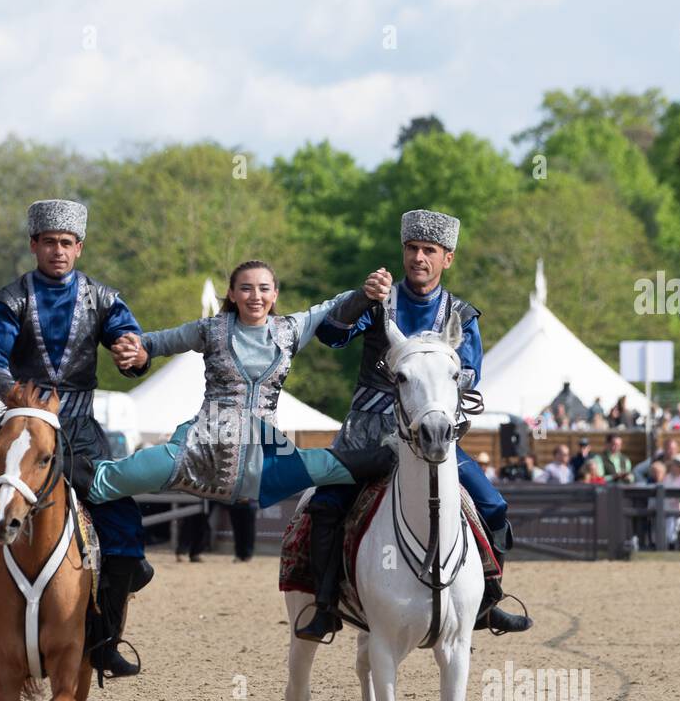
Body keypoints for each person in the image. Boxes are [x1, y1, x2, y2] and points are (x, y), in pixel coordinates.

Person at [0, 199, 152, 681]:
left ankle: (106, 641)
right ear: (34, 245)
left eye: (66, 243)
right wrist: (17, 396)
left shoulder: (105, 298)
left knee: (123, 525)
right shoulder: (12, 299)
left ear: (78, 248)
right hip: (20, 429)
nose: (57, 250)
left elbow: (131, 342)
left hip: (80, 434)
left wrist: (133, 356)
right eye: (48, 243)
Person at [298, 208, 533, 639]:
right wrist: (358, 298)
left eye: (429, 250)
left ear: (448, 259)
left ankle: (488, 601)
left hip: (433, 434)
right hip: (365, 432)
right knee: (325, 504)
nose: (418, 257)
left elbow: (471, 374)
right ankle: (326, 606)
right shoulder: (376, 302)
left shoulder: (463, 315)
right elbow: (331, 335)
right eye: (411, 248)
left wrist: (430, 379)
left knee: (493, 504)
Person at [86, 261, 393, 508]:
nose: (255, 296)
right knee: (122, 475)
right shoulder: (210, 329)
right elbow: (156, 342)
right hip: (201, 448)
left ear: (274, 295)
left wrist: (367, 292)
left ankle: (400, 460)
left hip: (268, 459)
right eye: (245, 288)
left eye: (263, 289)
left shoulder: (291, 329)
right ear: (232, 294)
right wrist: (134, 346)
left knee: (342, 464)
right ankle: (67, 486)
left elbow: (334, 306)